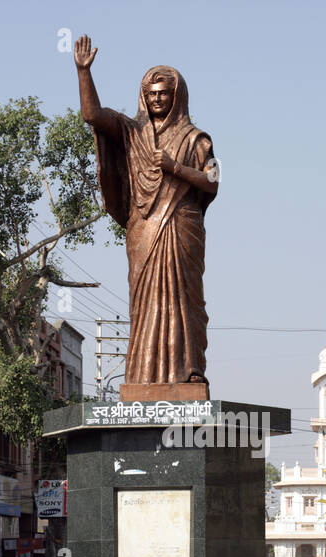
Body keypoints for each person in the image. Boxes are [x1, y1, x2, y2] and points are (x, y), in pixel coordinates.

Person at [75, 36, 218, 387]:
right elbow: (92, 115)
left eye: (163, 94)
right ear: (144, 96)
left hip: (181, 225)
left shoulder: (196, 139)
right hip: (143, 229)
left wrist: (174, 168)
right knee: (144, 303)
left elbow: (212, 181)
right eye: (151, 94)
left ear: (176, 97)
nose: (157, 99)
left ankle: (189, 369)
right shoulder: (131, 130)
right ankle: (143, 375)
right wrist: (83, 73)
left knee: (185, 301)